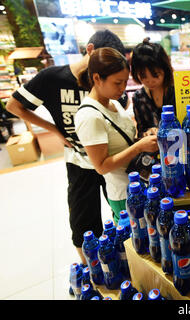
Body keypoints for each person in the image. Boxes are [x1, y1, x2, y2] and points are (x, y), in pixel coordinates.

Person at [5, 30, 126, 266]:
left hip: (110, 159)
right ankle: (89, 271)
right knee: (83, 221)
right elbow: (14, 105)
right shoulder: (53, 78)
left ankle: (120, 262)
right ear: (90, 50)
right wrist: (54, 130)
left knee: (120, 213)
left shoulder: (108, 80)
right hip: (80, 161)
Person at [75, 47, 158, 226]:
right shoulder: (90, 116)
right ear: (97, 78)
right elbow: (101, 166)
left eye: (125, 82)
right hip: (123, 193)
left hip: (138, 184)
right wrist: (139, 147)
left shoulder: (112, 103)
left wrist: (144, 137)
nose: (123, 88)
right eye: (117, 83)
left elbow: (123, 141)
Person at [130, 39, 175, 139]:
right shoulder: (139, 97)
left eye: (155, 75)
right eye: (143, 76)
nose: (150, 81)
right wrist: (147, 133)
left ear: (165, 69)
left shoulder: (177, 92)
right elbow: (141, 130)